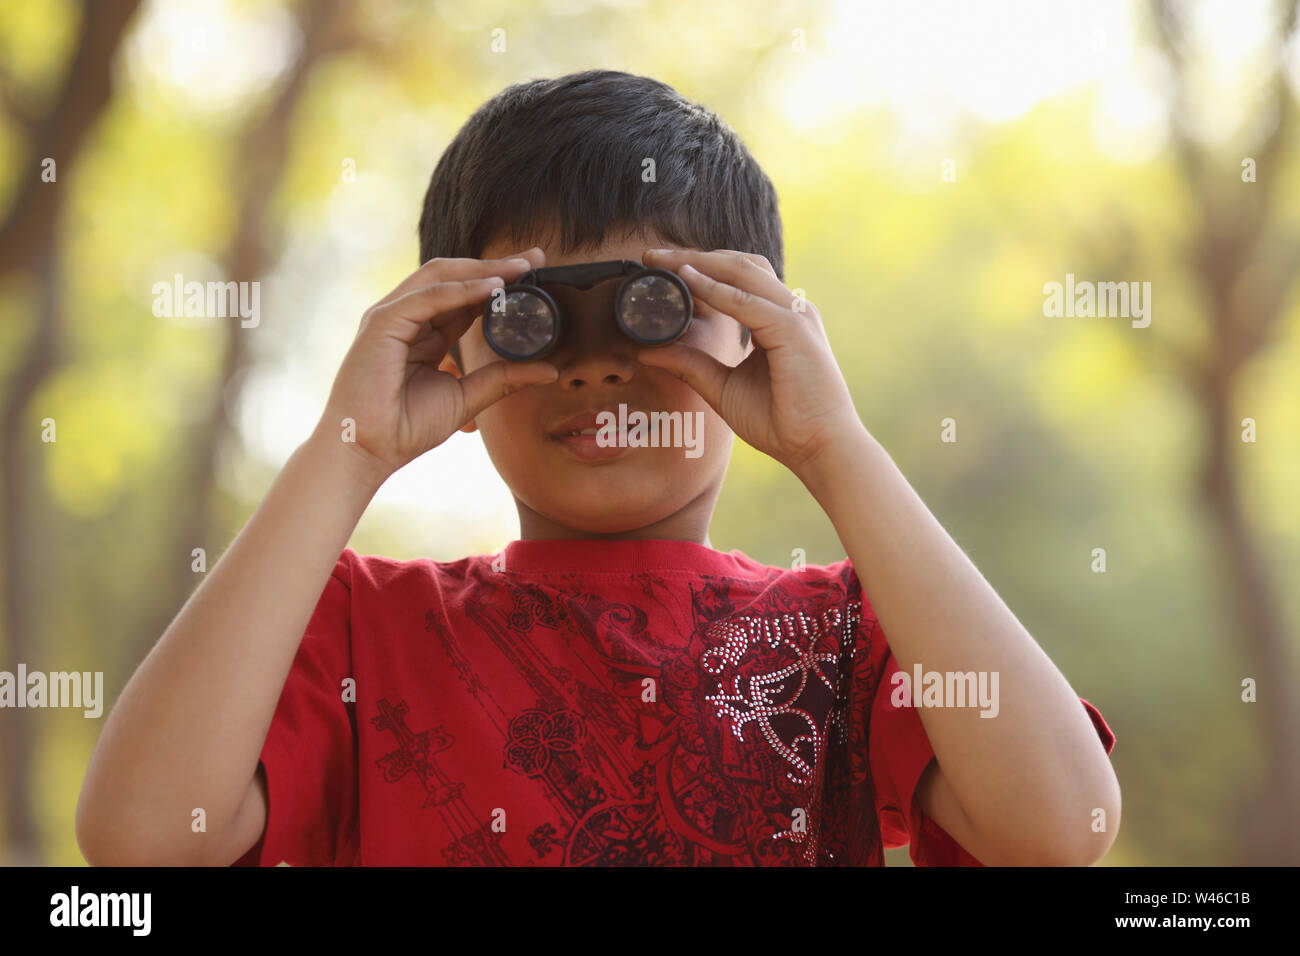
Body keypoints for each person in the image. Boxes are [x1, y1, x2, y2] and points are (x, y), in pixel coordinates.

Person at [76, 69, 1118, 867]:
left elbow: (1060, 822)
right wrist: (342, 454)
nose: (596, 364)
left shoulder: (845, 632)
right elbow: (144, 839)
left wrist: (833, 445)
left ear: (756, 333)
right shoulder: (358, 623)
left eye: (652, 309)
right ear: (453, 342)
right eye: (529, 318)